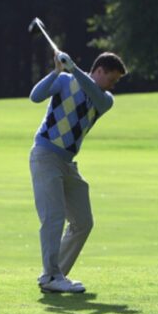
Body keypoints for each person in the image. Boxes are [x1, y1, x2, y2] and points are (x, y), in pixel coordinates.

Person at [28, 48, 126, 293]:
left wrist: (75, 69)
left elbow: (93, 92)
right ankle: (52, 276)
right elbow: (35, 96)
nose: (112, 86)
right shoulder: (64, 81)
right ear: (99, 70)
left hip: (68, 164)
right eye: (111, 79)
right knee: (53, 217)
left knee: (83, 222)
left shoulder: (105, 98)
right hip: (45, 156)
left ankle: (52, 275)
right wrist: (56, 71)